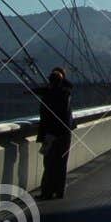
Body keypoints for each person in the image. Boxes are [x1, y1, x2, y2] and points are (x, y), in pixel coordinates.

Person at [34, 67, 75, 201]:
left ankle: (46, 192)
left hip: (51, 134)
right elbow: (69, 85)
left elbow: (45, 117)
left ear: (50, 82)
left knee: (49, 164)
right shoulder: (66, 93)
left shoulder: (49, 95)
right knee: (61, 163)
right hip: (65, 134)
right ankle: (59, 191)